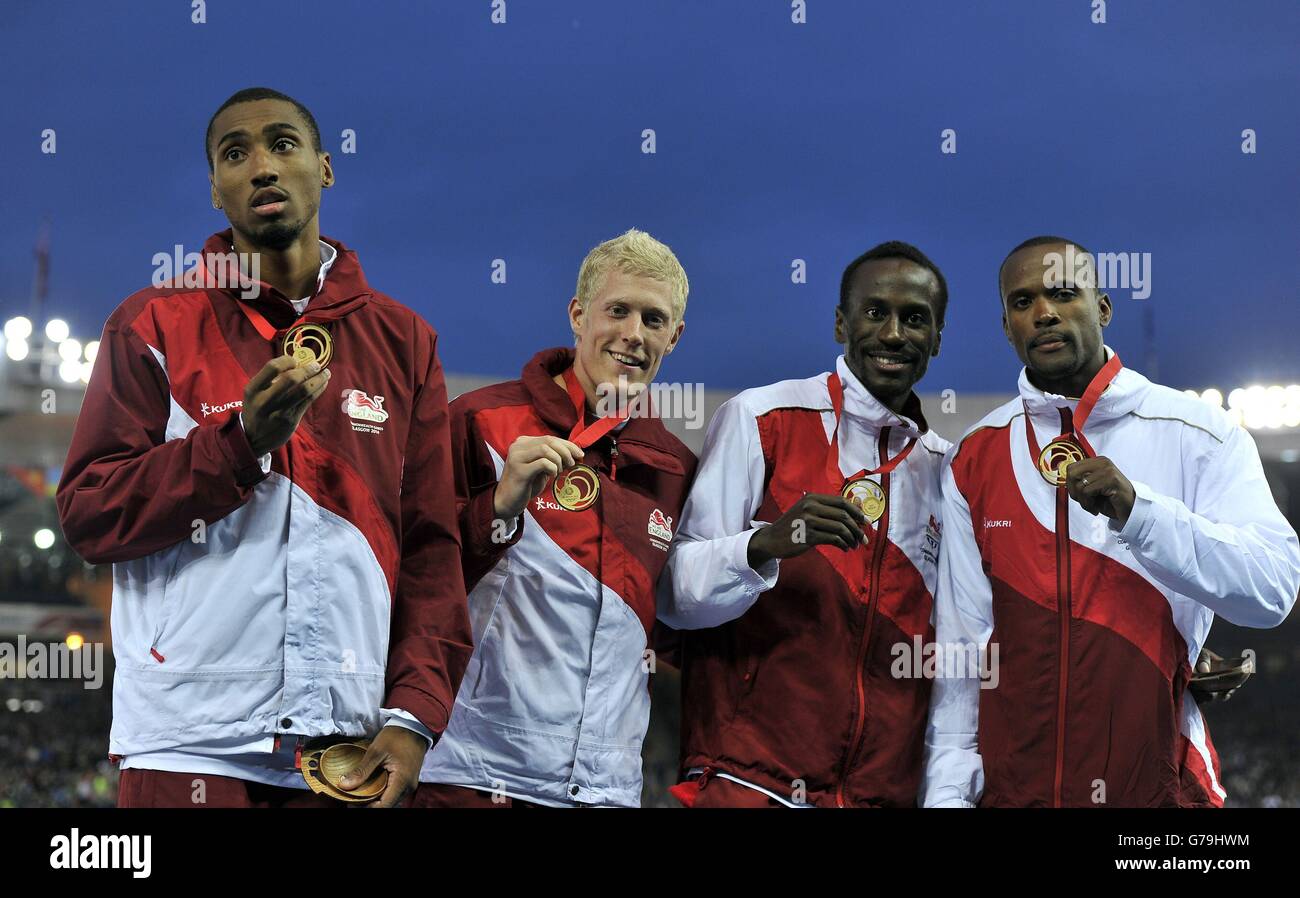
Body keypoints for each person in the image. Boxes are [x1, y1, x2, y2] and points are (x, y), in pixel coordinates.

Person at [56, 87, 471, 808]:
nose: (261, 168)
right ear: (217, 191)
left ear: (325, 167)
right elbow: (91, 514)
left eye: (283, 144)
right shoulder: (151, 322)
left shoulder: (407, 343)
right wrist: (239, 446)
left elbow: (433, 548)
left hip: (344, 748)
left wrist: (413, 717)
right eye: (235, 154)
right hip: (188, 741)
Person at [922, 236, 1300, 807]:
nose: (1043, 312)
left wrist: (1139, 512)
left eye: (1063, 294)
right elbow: (962, 653)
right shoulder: (976, 458)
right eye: (1022, 303)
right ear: (1006, 327)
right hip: (1014, 794)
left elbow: (1272, 592)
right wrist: (947, 797)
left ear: (1103, 308)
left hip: (1158, 797)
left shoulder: (1200, 435)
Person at [660, 241, 951, 807]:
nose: (893, 334)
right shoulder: (761, 418)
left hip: (878, 794)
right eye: (875, 313)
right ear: (842, 324)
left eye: (915, 319)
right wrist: (765, 544)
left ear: (938, 337)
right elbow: (675, 595)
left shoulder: (946, 470)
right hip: (749, 779)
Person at [414, 229, 697, 807]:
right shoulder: (479, 422)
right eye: (617, 310)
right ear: (577, 314)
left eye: (653, 319)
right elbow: (413, 578)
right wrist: (496, 509)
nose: (632, 335)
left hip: (605, 790)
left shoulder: (675, 469)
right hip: (475, 774)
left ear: (675, 335)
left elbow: (676, 634)